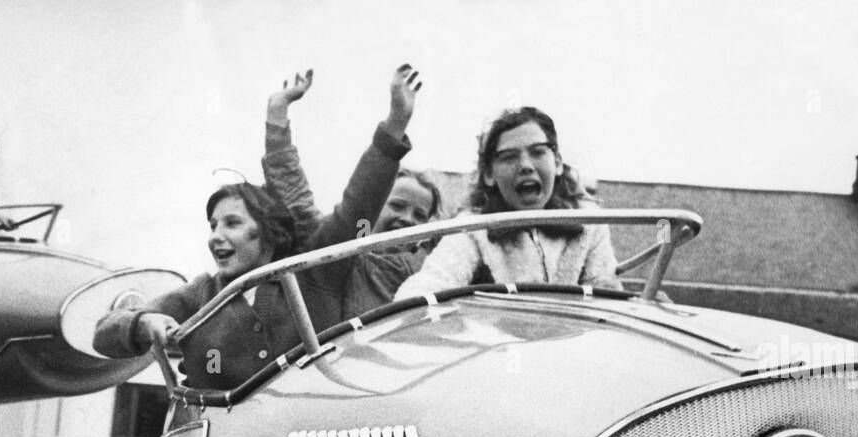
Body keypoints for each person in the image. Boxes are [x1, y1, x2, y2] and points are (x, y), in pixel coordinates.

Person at [93, 64, 423, 392]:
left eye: (232, 223)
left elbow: (360, 203)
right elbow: (104, 333)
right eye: (212, 226)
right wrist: (141, 322)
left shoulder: (316, 271)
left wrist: (396, 122)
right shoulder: (202, 295)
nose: (216, 236)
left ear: (266, 231)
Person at [263, 68, 442, 317]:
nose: (407, 219)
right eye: (398, 205)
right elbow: (295, 195)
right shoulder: (339, 248)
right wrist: (277, 114)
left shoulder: (434, 271)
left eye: (419, 215)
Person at [394, 105, 619, 298]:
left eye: (538, 152)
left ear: (557, 162)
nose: (525, 166)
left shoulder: (589, 221)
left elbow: (605, 291)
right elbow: (435, 279)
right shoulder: (473, 227)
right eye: (509, 157)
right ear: (489, 174)